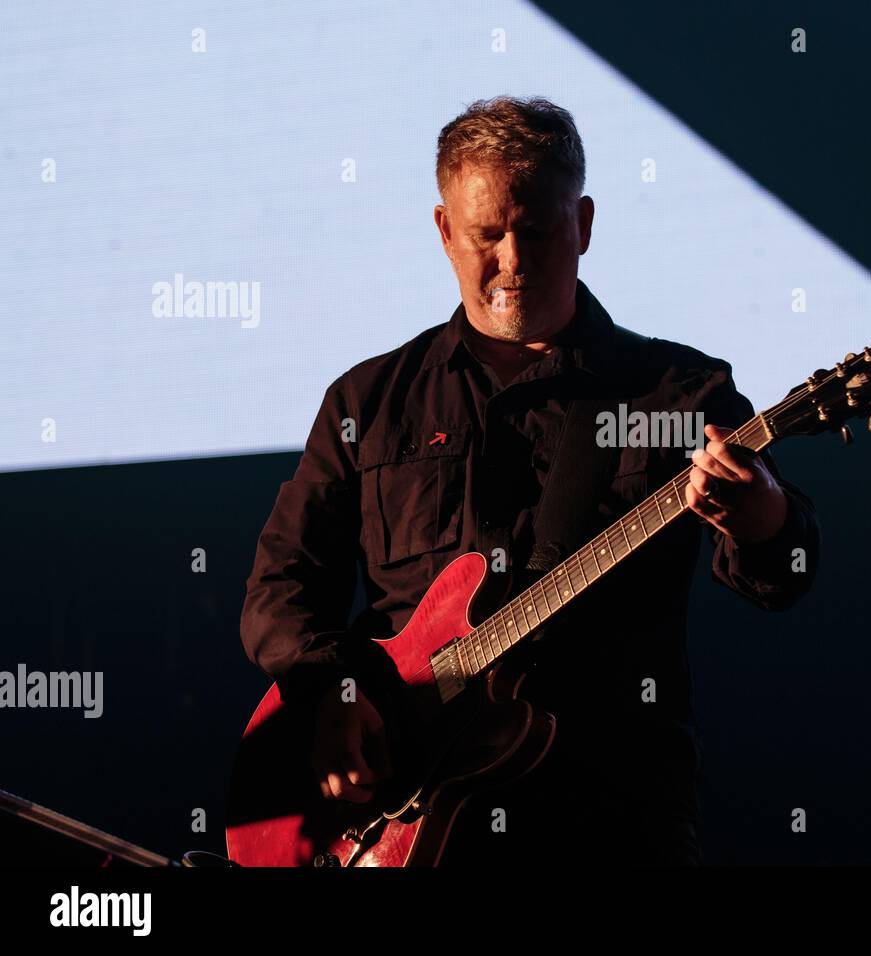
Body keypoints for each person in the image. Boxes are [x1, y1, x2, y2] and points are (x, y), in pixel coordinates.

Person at [240, 96, 820, 865]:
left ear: (581, 225)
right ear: (445, 231)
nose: (512, 261)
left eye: (538, 232)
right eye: (487, 234)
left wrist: (761, 517)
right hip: (408, 827)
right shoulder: (368, 402)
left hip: (611, 824)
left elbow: (788, 571)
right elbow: (281, 588)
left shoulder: (678, 393)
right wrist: (335, 695)